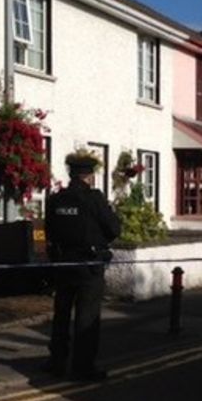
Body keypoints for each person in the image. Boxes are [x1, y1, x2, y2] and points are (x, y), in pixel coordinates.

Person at [42, 153, 121, 381]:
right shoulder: (94, 198)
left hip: (64, 263)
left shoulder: (56, 199)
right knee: (87, 318)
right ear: (90, 175)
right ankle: (83, 366)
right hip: (89, 266)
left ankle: (56, 362)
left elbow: (50, 231)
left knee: (61, 315)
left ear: (71, 173)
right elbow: (114, 229)